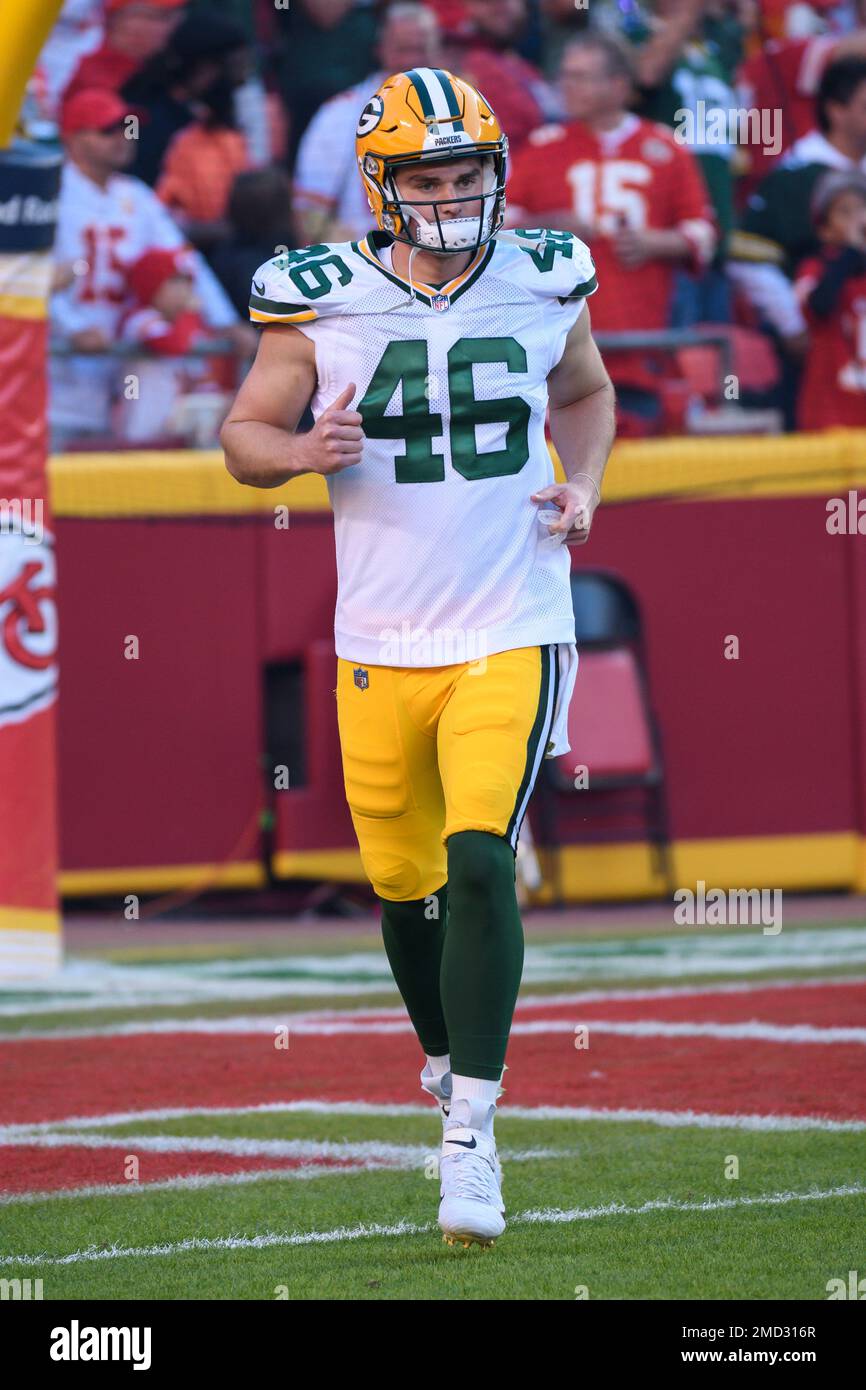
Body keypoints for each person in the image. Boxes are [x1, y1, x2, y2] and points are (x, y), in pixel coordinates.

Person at [221, 68, 615, 1248]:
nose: (451, 198)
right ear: (383, 186)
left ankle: (472, 1137)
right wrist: (299, 449)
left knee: (481, 862)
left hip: (510, 618)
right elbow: (240, 437)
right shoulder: (323, 293)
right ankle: (443, 1061)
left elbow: (585, 393)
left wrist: (583, 482)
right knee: (406, 889)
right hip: (379, 637)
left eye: (466, 175)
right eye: (428, 179)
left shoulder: (546, 270)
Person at [506, 34, 715, 423]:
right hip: (557, 353)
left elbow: (704, 234)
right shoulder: (542, 148)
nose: (567, 87)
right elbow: (498, 228)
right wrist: (549, 224)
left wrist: (656, 243)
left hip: (643, 344)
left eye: (582, 77)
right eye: (565, 76)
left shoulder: (666, 148)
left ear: (618, 85)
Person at [50, 88, 252, 448]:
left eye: (124, 128)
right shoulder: (51, 191)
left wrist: (225, 321)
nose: (121, 137)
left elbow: (187, 262)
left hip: (122, 351)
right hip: (59, 359)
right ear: (73, 138)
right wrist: (73, 327)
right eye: (106, 130)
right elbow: (24, 276)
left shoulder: (136, 195)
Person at [728, 55, 866, 359]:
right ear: (836, 110)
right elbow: (747, 255)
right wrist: (792, 323)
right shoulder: (796, 176)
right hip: (822, 346)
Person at [293, 3, 442, 245]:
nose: (412, 61)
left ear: (437, 51)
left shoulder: (465, 107)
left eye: (421, 49)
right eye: (403, 49)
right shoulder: (338, 114)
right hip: (366, 259)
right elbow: (308, 212)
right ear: (380, 50)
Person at [794, 169, 866, 429]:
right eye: (845, 212)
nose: (859, 220)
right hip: (830, 413)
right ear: (824, 229)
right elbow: (819, 306)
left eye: (862, 209)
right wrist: (851, 253)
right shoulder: (813, 268)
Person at [63, 0, 185, 103]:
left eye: (174, 16)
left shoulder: (155, 71)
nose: (170, 26)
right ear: (118, 19)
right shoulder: (79, 66)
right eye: (156, 17)